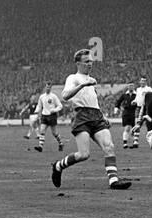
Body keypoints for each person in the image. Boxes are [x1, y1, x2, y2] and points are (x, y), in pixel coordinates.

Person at [50, 49, 131, 190]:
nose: (90, 64)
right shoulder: (73, 78)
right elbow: (65, 96)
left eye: (91, 61)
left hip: (96, 116)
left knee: (109, 146)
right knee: (83, 154)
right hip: (81, 117)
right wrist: (82, 85)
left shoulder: (91, 81)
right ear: (78, 63)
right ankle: (58, 166)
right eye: (87, 61)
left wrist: (103, 115)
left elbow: (92, 101)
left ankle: (114, 181)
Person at [30, 84, 64, 152]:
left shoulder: (53, 96)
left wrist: (54, 110)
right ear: (45, 88)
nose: (47, 88)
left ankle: (61, 143)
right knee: (42, 130)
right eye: (46, 87)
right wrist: (36, 111)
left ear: (50, 88)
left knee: (54, 133)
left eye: (49, 87)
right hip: (44, 115)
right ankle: (40, 147)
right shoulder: (42, 96)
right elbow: (39, 106)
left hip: (52, 116)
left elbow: (60, 106)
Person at [114, 85, 139, 150]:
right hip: (126, 113)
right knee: (127, 128)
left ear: (134, 87)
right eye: (130, 86)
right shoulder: (124, 95)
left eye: (132, 86)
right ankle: (125, 143)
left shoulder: (136, 95)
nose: (131, 87)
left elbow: (140, 103)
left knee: (134, 129)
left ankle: (135, 142)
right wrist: (117, 108)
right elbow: (118, 102)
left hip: (133, 113)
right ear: (128, 87)